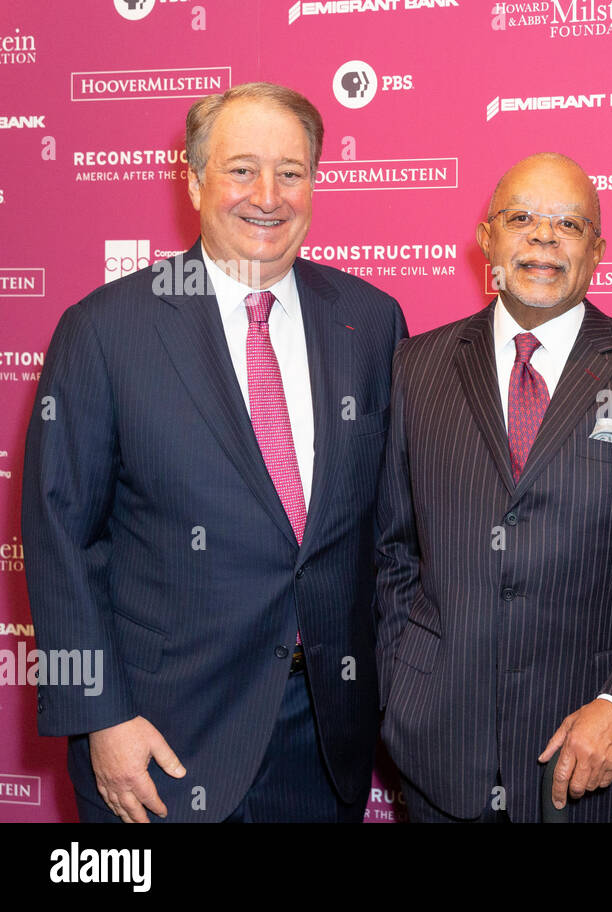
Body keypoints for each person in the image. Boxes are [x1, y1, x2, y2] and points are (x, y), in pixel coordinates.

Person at [22, 82, 407, 823]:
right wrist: (102, 717)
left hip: (324, 737)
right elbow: (59, 534)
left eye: (291, 172)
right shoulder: (106, 331)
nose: (267, 195)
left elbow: (388, 530)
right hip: (159, 741)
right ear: (195, 180)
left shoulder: (370, 321)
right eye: (240, 169)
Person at [374, 152, 612, 823]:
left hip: (596, 757)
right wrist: (404, 688)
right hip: (441, 752)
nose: (543, 237)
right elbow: (392, 550)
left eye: (568, 224)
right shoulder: (414, 367)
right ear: (487, 239)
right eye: (521, 219)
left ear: (597, 251)